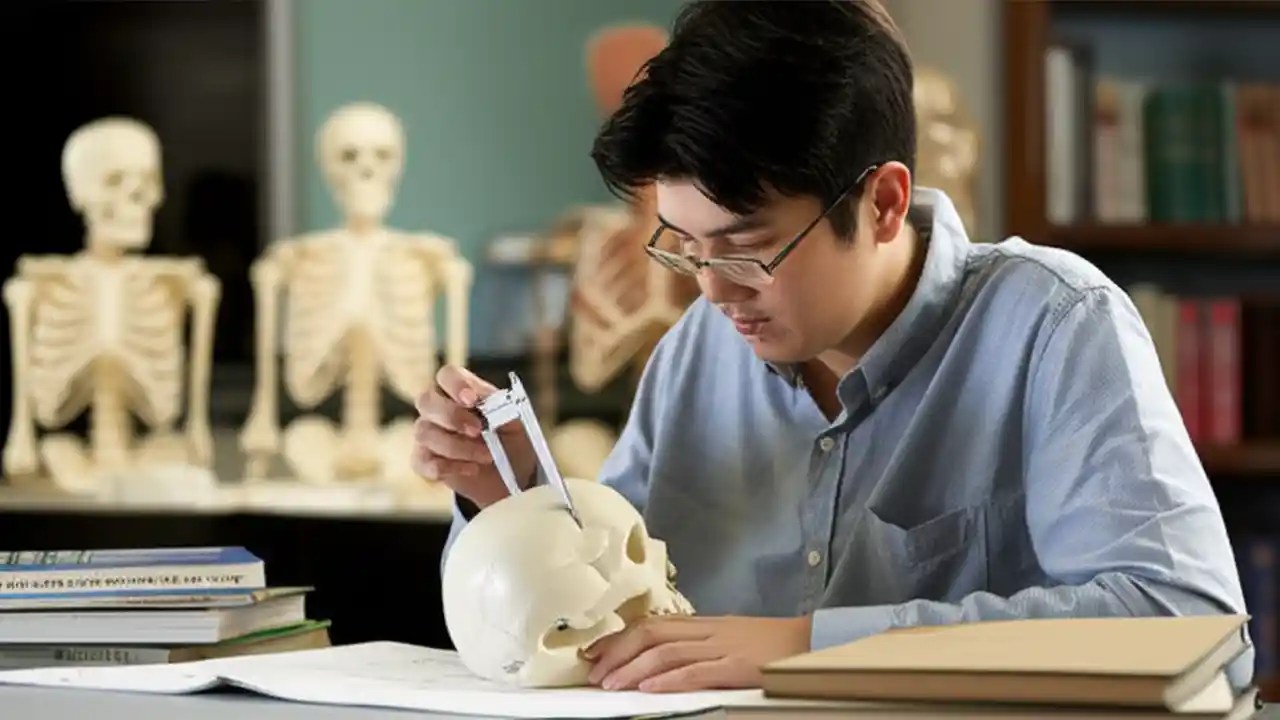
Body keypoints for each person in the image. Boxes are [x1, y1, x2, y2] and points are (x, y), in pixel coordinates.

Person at [413, 0, 1254, 694]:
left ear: (885, 202)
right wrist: (509, 501)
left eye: (747, 248)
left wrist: (809, 646)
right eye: (684, 245)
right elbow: (609, 620)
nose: (710, 289)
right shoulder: (697, 354)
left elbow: (1184, 622)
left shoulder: (1055, 326)